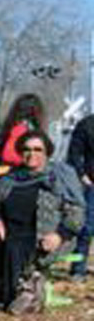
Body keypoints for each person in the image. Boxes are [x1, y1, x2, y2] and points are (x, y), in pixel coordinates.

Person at [0, 131, 84, 313]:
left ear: (47, 152)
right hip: (12, 231)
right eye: (26, 149)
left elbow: (76, 212)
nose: (32, 153)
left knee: (18, 245)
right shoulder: (11, 178)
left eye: (38, 149)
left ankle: (25, 292)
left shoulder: (60, 175)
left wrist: (59, 235)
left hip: (48, 233)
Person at [0, 94, 44, 308]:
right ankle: (2, 292)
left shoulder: (7, 130)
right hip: (17, 185)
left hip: (8, 190)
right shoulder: (27, 129)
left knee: (11, 240)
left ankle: (0, 292)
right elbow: (18, 158)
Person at [68, 112, 94, 280]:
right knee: (87, 228)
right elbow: (74, 154)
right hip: (91, 184)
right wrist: (82, 175)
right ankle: (77, 269)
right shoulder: (86, 125)